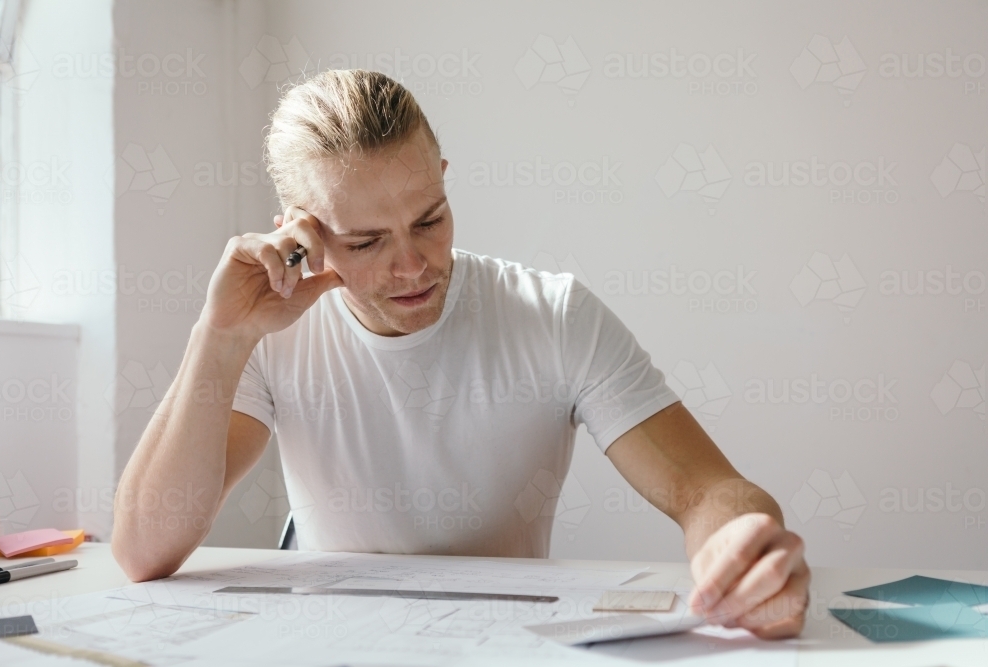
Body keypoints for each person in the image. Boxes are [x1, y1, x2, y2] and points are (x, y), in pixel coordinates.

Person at [112, 69, 809, 638]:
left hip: (507, 642)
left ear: (443, 179)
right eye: (365, 242)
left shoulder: (553, 314)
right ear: (300, 232)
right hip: (332, 641)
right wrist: (221, 334)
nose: (413, 264)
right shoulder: (273, 328)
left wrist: (743, 546)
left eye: (430, 219)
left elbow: (711, 489)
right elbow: (143, 550)